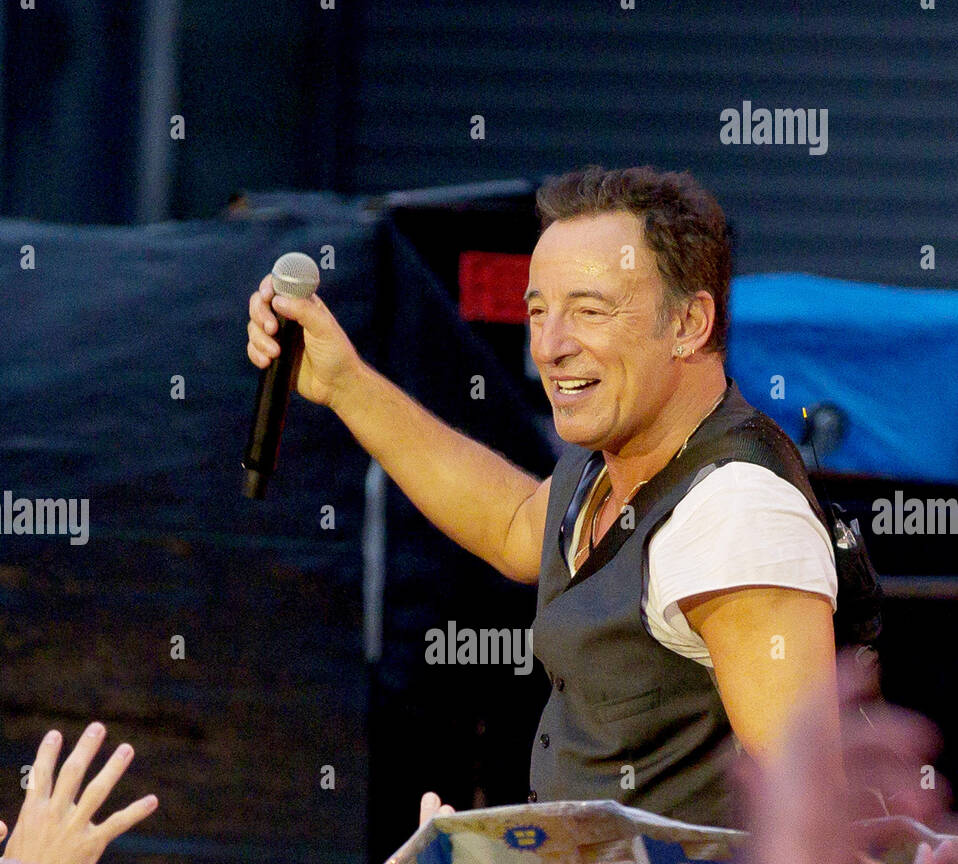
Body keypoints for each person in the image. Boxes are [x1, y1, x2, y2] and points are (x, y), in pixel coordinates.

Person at [247, 164, 839, 827]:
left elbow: (809, 826)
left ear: (689, 323)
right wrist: (344, 384)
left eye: (589, 311)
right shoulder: (612, 465)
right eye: (538, 312)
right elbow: (514, 525)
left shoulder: (738, 514)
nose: (552, 346)